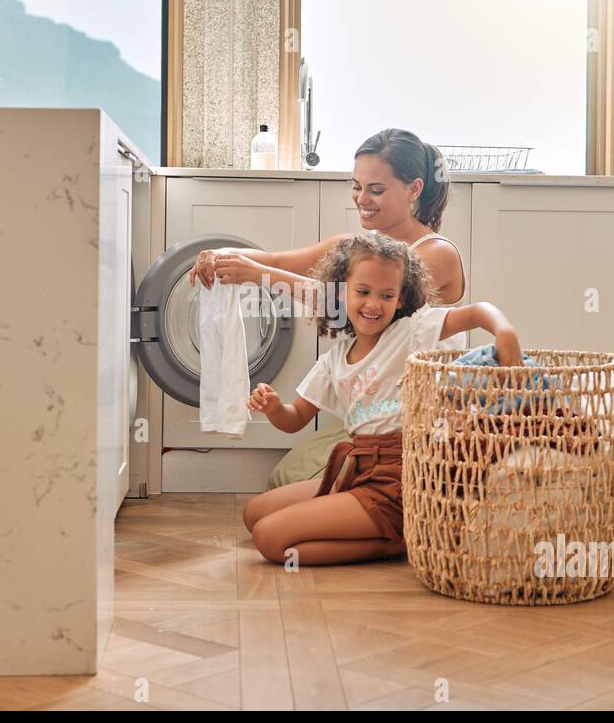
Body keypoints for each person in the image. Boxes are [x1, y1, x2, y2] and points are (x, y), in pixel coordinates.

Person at [189, 129, 467, 488]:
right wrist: (221, 256)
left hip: (421, 414)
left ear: (414, 189)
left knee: (296, 488)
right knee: (284, 478)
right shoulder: (360, 247)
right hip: (376, 408)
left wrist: (259, 276)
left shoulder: (436, 253)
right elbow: (277, 259)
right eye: (357, 186)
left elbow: (341, 303)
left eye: (376, 189)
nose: (361, 199)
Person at [240, 233, 523, 565]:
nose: (373, 305)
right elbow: (294, 419)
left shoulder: (411, 332)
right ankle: (384, 528)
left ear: (401, 299)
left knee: (270, 539)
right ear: (340, 291)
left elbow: (478, 312)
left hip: (402, 475)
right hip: (358, 470)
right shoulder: (335, 359)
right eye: (362, 292)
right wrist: (274, 408)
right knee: (253, 514)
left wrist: (506, 333)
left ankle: (398, 541)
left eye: (386, 295)